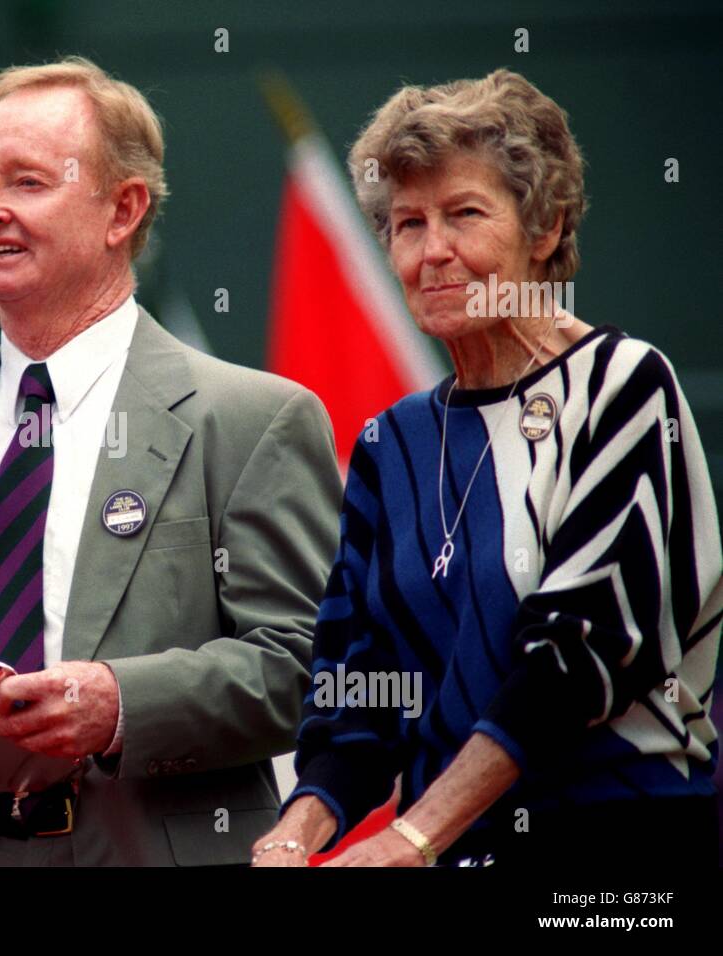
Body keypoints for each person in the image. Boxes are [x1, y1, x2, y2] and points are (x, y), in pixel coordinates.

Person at [0, 56, 342, 866]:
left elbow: (308, 666)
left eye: (26, 182)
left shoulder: (251, 419)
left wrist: (124, 702)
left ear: (123, 209)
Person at [253, 69, 721, 867]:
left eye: (464, 215)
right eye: (406, 224)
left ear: (544, 230)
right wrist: (293, 837)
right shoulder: (388, 443)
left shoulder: (624, 384)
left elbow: (574, 661)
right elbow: (359, 688)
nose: (433, 252)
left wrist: (414, 834)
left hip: (617, 854)